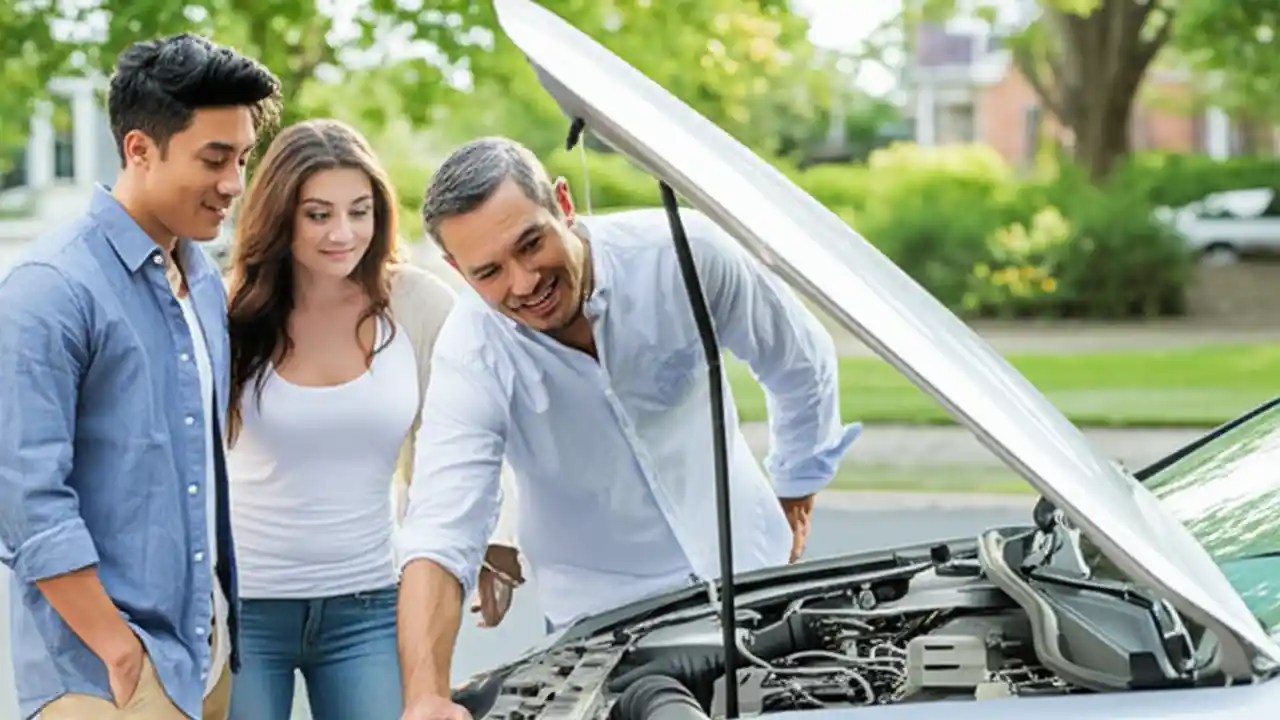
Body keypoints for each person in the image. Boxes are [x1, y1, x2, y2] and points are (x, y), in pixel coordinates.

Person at [394, 137, 860, 719]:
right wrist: (427, 696)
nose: (522, 283)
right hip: (603, 629)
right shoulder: (471, 352)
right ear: (457, 271)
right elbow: (440, 529)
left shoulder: (684, 255)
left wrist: (797, 486)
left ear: (563, 203)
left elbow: (800, 362)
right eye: (488, 272)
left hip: (752, 582)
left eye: (531, 243)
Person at [0, 34, 280, 720]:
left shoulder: (205, 280)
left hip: (204, 658)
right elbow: (27, 501)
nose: (235, 184)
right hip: (105, 679)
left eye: (242, 159)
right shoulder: (51, 288)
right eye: (214, 159)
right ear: (138, 149)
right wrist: (120, 652)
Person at [221, 119, 522, 720]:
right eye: (318, 214)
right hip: (248, 611)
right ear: (280, 214)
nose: (343, 233)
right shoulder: (228, 309)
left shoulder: (414, 302)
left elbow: (475, 428)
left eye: (360, 211)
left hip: (370, 603)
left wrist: (500, 536)